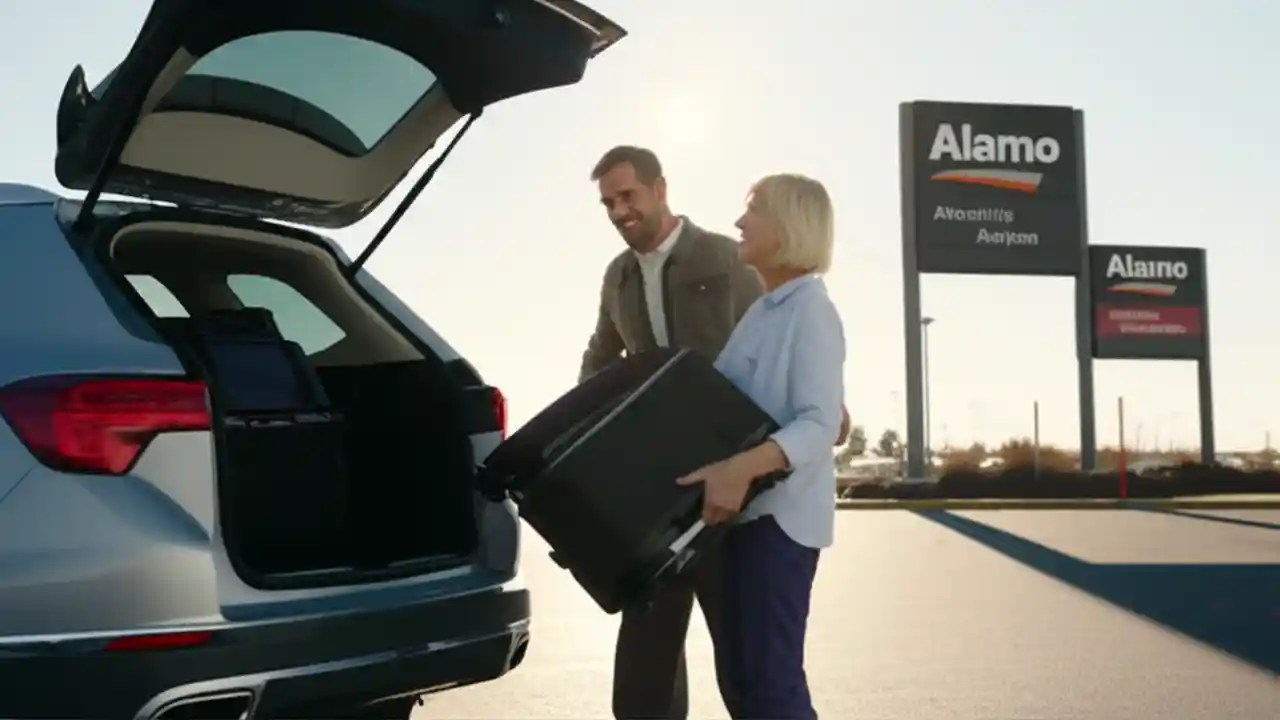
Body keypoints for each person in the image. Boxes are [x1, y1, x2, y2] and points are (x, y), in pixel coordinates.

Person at [581, 145, 761, 720]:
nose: (618, 211)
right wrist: (576, 443)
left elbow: (769, 340)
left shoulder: (725, 257)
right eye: (608, 202)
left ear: (661, 189)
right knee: (643, 674)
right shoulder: (619, 275)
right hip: (654, 490)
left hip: (727, 480)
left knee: (745, 662)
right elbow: (600, 360)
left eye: (627, 196)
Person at [676, 173, 844, 720]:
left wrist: (743, 468)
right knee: (744, 683)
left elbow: (819, 423)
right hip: (745, 521)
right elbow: (724, 403)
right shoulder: (765, 311)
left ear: (790, 224)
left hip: (782, 524)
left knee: (772, 686)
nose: (739, 222)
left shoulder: (810, 310)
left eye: (754, 210)